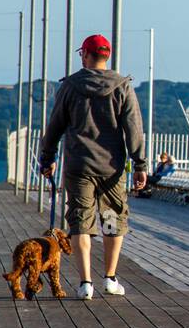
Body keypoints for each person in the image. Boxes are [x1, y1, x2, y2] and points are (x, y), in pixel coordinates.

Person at [38, 34, 147, 301]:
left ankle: (85, 283)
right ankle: (110, 278)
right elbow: (134, 129)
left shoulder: (70, 86)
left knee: (80, 223)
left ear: (85, 55)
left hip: (79, 166)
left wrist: (46, 158)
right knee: (111, 221)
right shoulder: (122, 86)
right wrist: (141, 163)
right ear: (106, 56)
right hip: (112, 169)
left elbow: (55, 126)